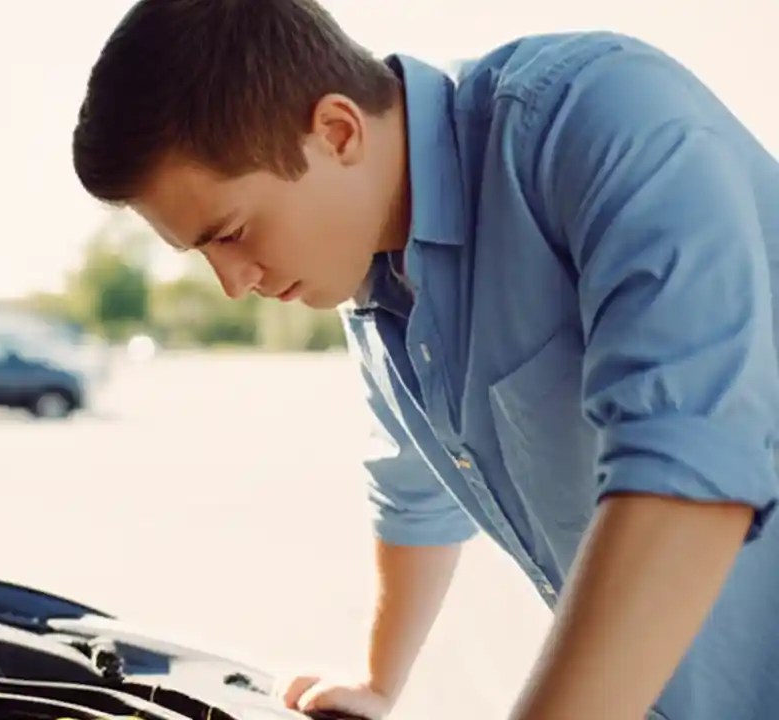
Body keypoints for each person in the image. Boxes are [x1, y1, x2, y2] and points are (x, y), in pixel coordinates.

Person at [71, 2, 779, 719]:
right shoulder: (377, 284)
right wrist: (380, 681)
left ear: (337, 132)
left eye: (232, 233)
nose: (232, 284)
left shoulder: (599, 116)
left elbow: (690, 474)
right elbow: (414, 491)